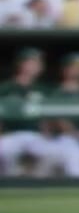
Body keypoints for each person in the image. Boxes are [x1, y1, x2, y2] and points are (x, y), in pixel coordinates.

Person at [0, 48, 52, 176]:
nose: (38, 66)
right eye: (33, 62)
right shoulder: (6, 88)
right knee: (5, 151)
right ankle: (11, 184)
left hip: (35, 134)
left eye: (39, 63)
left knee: (51, 153)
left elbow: (47, 115)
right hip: (10, 134)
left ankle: (38, 187)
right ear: (22, 64)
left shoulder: (42, 89)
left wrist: (47, 133)